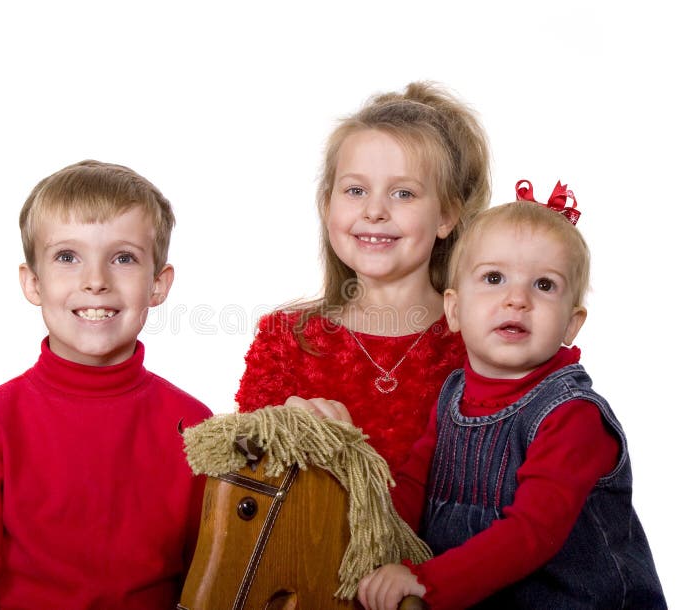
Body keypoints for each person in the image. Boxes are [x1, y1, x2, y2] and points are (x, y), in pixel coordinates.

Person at [357, 182, 666, 609]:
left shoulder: (572, 416)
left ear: (572, 324)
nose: (516, 299)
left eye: (544, 285)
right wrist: (369, 543)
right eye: (494, 278)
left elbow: (532, 533)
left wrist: (426, 581)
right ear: (454, 309)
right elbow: (412, 486)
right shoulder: (452, 393)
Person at [0, 160, 212, 609]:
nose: (95, 281)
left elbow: (213, 586)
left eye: (123, 258)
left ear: (158, 285)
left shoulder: (195, 428)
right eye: (67, 257)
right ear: (33, 282)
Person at [236, 82, 491, 472]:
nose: (374, 210)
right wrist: (276, 431)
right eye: (355, 190)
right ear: (327, 206)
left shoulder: (480, 341)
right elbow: (240, 468)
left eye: (403, 194)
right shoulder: (284, 340)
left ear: (446, 216)